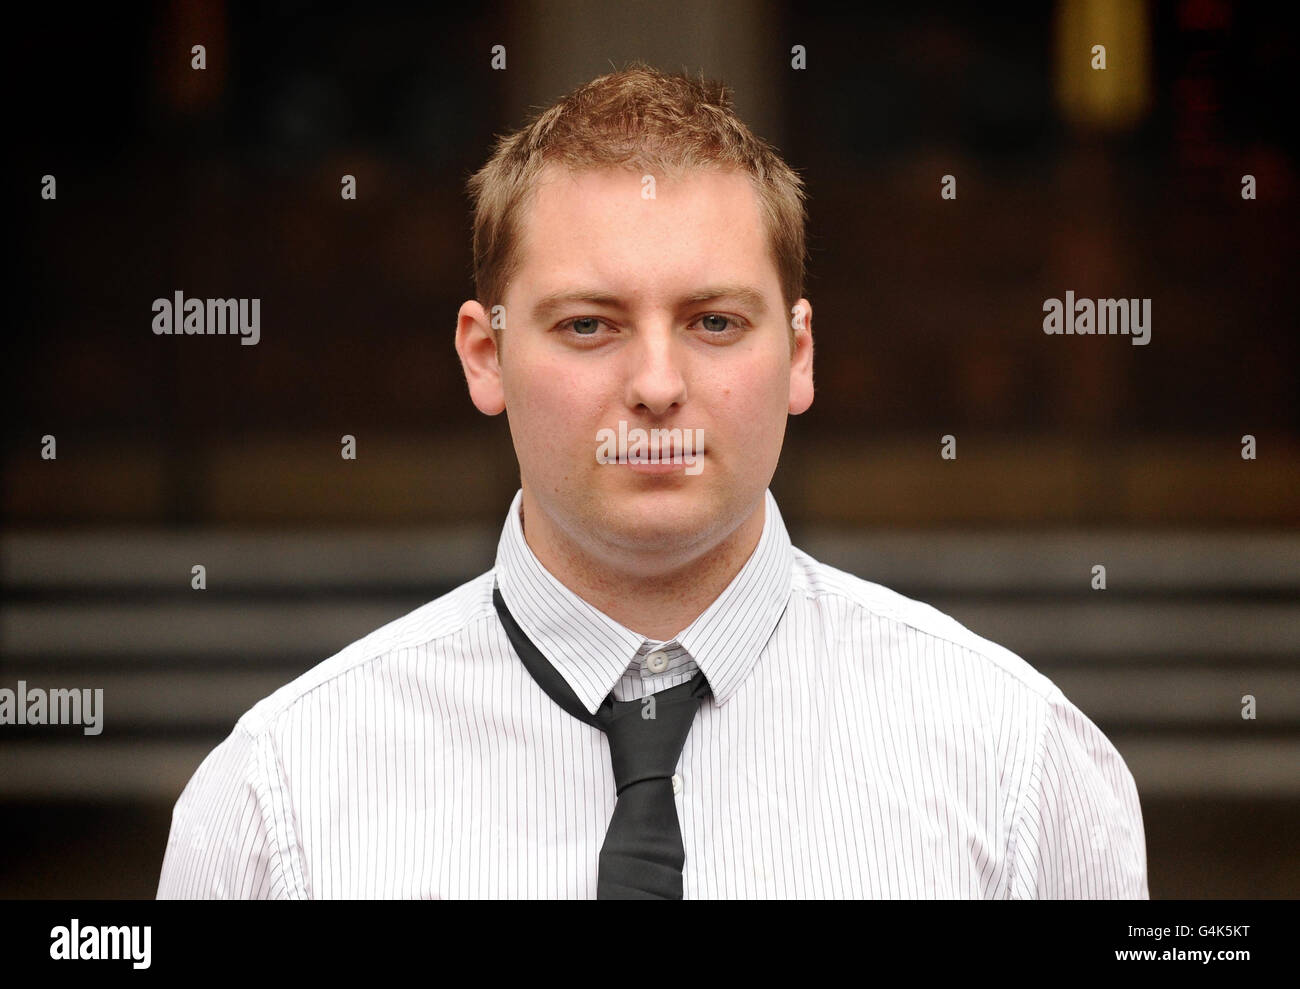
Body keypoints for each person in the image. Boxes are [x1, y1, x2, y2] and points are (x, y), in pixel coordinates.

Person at [156, 63, 1148, 899]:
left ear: (798, 354)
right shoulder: (278, 801)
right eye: (589, 324)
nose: (660, 386)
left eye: (715, 321)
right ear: (483, 354)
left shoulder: (1019, 765)